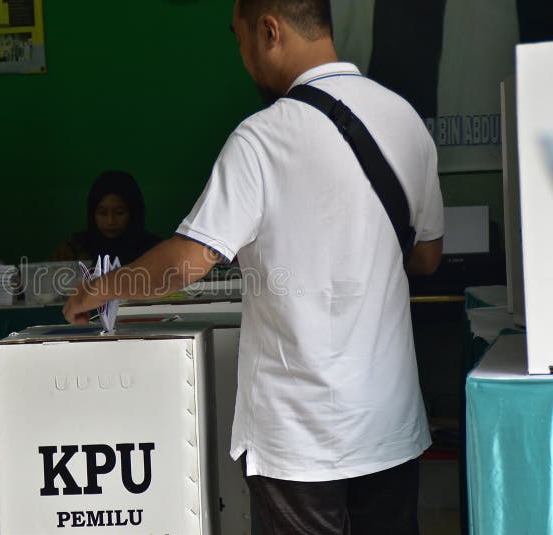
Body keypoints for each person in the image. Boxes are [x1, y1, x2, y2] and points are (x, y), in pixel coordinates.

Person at [64, 0, 443, 533]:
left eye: (238, 39)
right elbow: (426, 256)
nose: (242, 57)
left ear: (269, 31)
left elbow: (185, 264)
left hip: (298, 436)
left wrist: (101, 287)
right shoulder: (404, 120)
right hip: (388, 424)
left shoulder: (262, 138)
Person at [51, 170, 161, 265]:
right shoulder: (74, 249)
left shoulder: (154, 250)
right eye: (102, 213)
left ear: (134, 212)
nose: (110, 221)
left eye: (119, 213)